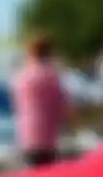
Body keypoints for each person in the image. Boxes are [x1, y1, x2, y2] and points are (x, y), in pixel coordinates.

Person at [10, 34, 68, 167]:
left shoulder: (22, 76)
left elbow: (17, 104)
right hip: (48, 138)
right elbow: (62, 105)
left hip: (26, 137)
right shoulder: (52, 76)